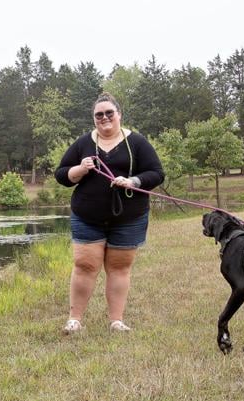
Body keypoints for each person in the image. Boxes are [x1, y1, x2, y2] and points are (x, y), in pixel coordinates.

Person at [54, 93, 164, 334]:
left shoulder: (137, 142)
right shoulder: (84, 143)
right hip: (87, 217)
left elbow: (156, 173)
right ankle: (75, 321)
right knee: (84, 265)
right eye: (98, 115)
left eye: (109, 113)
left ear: (119, 115)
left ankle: (116, 321)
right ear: (94, 119)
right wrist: (79, 169)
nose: (104, 118)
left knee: (119, 268)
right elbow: (61, 175)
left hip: (129, 219)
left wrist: (133, 181)